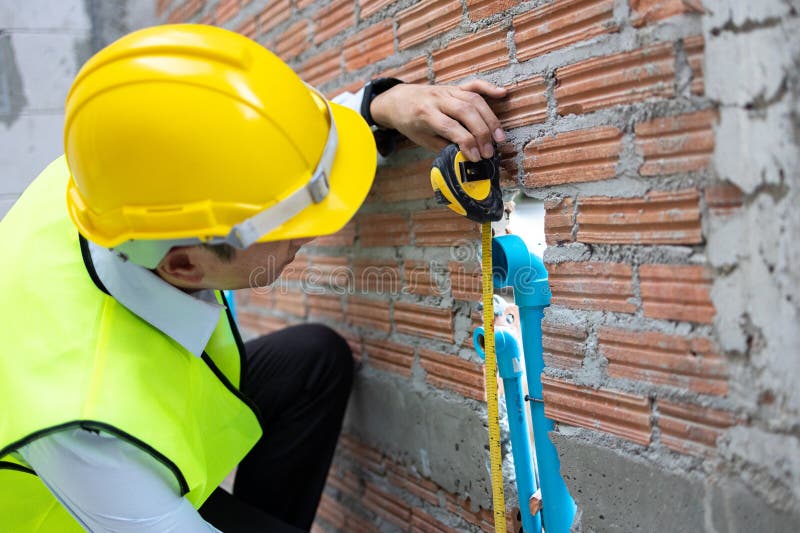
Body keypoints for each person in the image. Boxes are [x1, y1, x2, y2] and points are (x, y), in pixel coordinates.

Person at [0, 24, 507, 532]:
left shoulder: (120, 174)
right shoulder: (86, 430)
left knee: (312, 361)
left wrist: (382, 107)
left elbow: (257, 151)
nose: (305, 241)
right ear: (183, 265)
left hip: (148, 405)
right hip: (82, 512)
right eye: (287, 233)